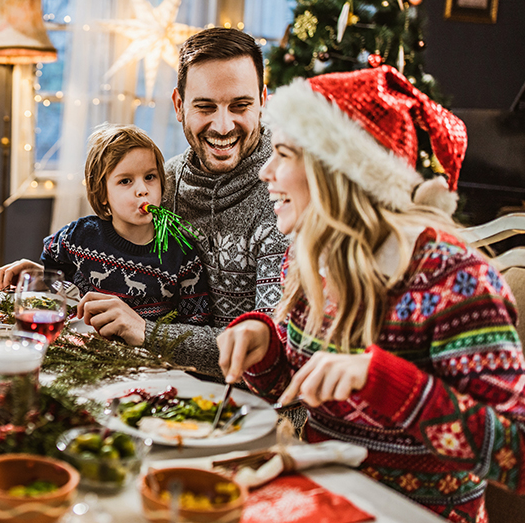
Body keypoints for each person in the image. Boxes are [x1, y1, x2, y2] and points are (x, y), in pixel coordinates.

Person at [218, 65, 524, 523]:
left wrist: (385, 381)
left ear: (337, 173)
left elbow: (516, 456)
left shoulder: (455, 281)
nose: (265, 171)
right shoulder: (311, 258)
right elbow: (293, 391)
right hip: (319, 504)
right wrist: (264, 349)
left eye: (282, 153)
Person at [0, 29, 287, 378]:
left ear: (263, 101)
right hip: (152, 381)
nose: (223, 126)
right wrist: (49, 281)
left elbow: (274, 351)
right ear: (179, 106)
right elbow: (112, 267)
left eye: (240, 106)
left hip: (253, 408)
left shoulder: (288, 198)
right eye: (205, 106)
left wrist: (148, 333)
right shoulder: (161, 182)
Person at [39, 124, 210, 338]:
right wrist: (46, 279)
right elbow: (51, 265)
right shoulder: (79, 235)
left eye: (150, 177)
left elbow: (195, 326)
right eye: (126, 181)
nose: (142, 190)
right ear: (102, 193)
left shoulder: (181, 255)